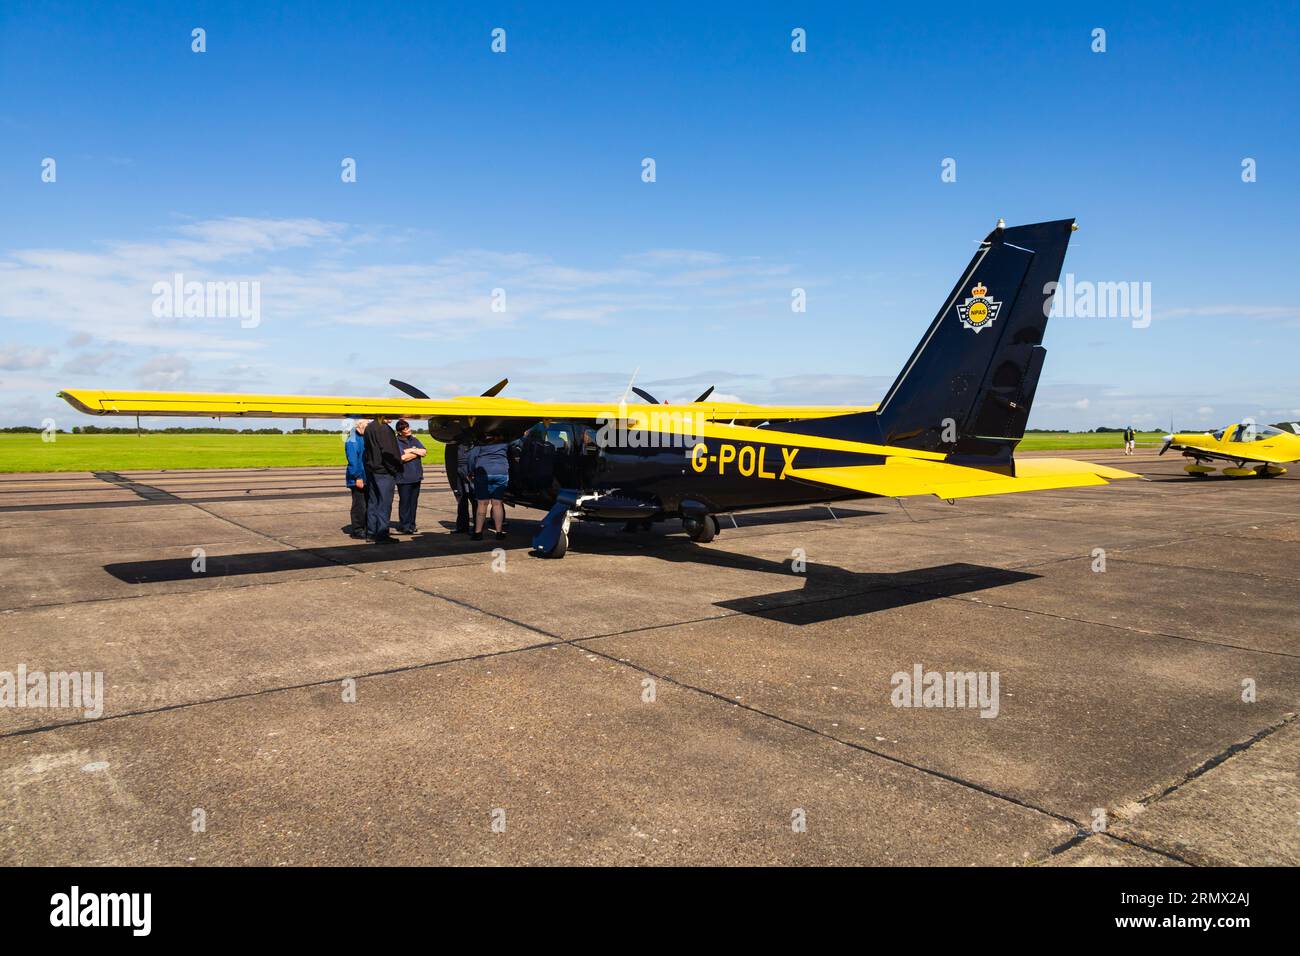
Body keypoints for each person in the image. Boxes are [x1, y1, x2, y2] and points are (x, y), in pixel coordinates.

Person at [362, 415, 403, 543]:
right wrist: (394, 469)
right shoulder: (385, 429)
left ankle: (371, 533)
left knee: (373, 502)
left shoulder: (369, 428)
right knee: (384, 504)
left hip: (373, 470)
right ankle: (382, 534)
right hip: (384, 472)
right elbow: (388, 452)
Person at [466, 433, 510, 541]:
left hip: (484, 473)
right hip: (501, 473)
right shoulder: (504, 445)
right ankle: (499, 532)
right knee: (497, 503)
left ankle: (478, 533)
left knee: (482, 503)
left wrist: (470, 472)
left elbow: (471, 458)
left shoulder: (479, 446)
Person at [393, 419, 427, 533]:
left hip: (416, 476)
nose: (408, 429)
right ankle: (404, 525)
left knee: (413, 503)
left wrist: (410, 451)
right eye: (405, 428)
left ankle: (412, 524)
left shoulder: (414, 439)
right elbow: (401, 457)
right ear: (400, 432)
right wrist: (416, 452)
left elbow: (424, 452)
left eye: (408, 427)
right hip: (403, 477)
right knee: (405, 502)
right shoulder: (396, 441)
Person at [344, 419, 369, 538]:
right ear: (359, 425)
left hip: (367, 477)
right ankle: (358, 530)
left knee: (368, 504)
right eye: (367, 423)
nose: (369, 425)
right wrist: (358, 477)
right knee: (359, 505)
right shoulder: (352, 440)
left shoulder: (364, 438)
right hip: (358, 478)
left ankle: (367, 527)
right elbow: (353, 461)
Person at [451, 440, 476, 534]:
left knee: (474, 499)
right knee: (461, 498)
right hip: (459, 467)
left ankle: (477, 527)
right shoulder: (458, 438)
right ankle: (462, 526)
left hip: (468, 468)